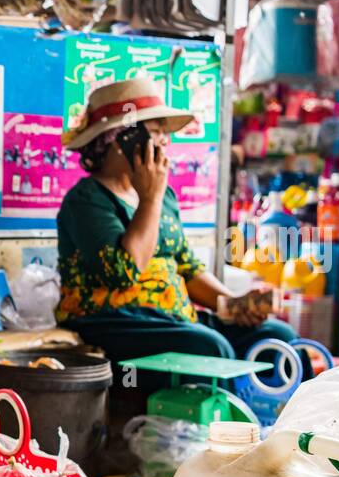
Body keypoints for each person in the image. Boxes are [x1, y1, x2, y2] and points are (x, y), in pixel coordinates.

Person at [56, 77, 302, 374]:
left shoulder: (164, 195)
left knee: (281, 339)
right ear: (121, 139)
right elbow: (123, 272)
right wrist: (150, 199)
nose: (165, 141)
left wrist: (232, 304)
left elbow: (186, 266)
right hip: (113, 323)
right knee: (209, 349)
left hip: (172, 319)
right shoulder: (85, 201)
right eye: (157, 132)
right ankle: (211, 421)